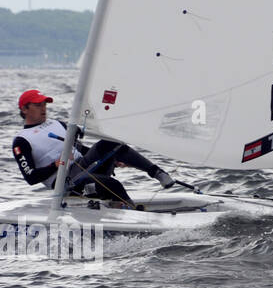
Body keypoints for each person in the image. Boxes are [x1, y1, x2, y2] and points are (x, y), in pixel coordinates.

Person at [11, 88, 175, 207]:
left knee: (111, 143)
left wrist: (114, 157)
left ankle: (157, 173)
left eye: (45, 104)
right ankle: (135, 215)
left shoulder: (57, 124)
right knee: (112, 185)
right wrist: (57, 164)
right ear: (24, 109)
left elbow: (81, 149)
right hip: (66, 181)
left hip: (83, 165)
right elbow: (31, 177)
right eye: (38, 105)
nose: (43, 108)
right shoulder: (22, 140)